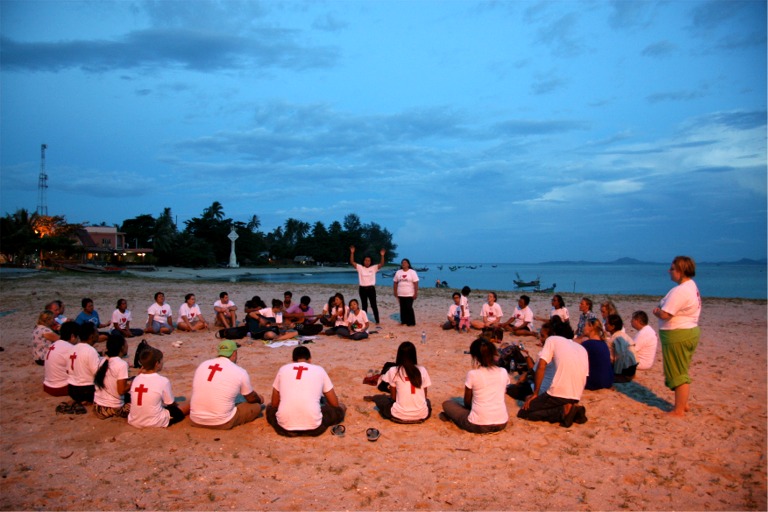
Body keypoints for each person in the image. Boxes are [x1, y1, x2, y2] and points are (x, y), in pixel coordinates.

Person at [653, 255, 701, 417]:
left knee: (678, 372)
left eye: (672, 269)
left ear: (680, 271)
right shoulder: (689, 287)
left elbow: (666, 314)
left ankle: (678, 409)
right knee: (681, 369)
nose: (669, 271)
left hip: (679, 334)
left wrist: (657, 311)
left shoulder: (682, 290)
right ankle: (683, 403)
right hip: (685, 332)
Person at [518, 319, 589, 427]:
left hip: (559, 392)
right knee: (544, 404)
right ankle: (572, 409)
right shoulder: (581, 348)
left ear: (554, 333)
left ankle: (562, 412)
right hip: (576, 395)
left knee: (524, 412)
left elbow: (541, 366)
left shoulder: (552, 340)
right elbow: (584, 375)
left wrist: (535, 393)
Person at [266, 346, 346, 437]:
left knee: (269, 408)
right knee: (339, 408)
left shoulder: (283, 369)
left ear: (292, 360)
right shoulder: (319, 370)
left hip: (283, 428)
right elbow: (334, 403)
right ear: (310, 359)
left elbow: (274, 403)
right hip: (315, 428)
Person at [440, 337, 510, 434]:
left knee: (447, 404)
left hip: (479, 425)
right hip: (502, 422)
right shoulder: (503, 371)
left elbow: (467, 402)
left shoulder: (473, 374)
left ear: (475, 357)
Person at [189, 340, 264, 430]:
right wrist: (260, 399)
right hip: (222, 422)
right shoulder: (240, 371)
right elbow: (251, 398)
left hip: (195, 419)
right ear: (234, 353)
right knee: (256, 406)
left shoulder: (203, 364)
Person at [368, 341, 432, 423]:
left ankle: (375, 398)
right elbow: (424, 396)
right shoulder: (422, 370)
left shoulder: (394, 370)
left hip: (399, 414)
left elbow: (394, 398)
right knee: (427, 402)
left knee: (381, 399)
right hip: (422, 414)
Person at [128, 347, 189, 428]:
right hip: (154, 422)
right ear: (157, 363)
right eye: (162, 361)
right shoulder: (163, 381)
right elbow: (170, 403)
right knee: (184, 409)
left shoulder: (136, 379)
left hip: (134, 420)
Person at [93, 333, 132, 419]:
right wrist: (133, 383)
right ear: (122, 347)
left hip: (97, 407)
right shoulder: (122, 364)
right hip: (113, 408)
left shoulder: (102, 361)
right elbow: (121, 391)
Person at [67, 322, 101, 411]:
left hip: (71, 389)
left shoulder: (72, 348)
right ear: (91, 336)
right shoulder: (90, 350)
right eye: (96, 332)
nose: (98, 333)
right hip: (86, 390)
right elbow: (97, 374)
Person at [350, 245, 386, 325]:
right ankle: (364, 320)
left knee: (374, 305)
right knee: (364, 305)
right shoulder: (360, 267)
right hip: (362, 289)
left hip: (371, 289)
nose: (367, 262)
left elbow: (382, 264)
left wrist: (382, 255)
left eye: (369, 261)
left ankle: (377, 321)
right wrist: (352, 253)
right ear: (363, 261)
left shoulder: (373, 268)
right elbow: (352, 262)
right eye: (366, 260)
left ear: (371, 261)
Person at [577, 319, 614, 391]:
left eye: (585, 325)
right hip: (608, 381)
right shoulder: (603, 343)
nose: (584, 328)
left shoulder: (588, 344)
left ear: (591, 327)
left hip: (596, 383)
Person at [43, 321, 77, 398]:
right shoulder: (69, 348)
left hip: (47, 385)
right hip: (61, 387)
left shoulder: (54, 344)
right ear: (72, 336)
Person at [605, 314, 638, 382]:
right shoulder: (623, 335)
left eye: (607, 323)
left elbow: (620, 356)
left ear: (613, 326)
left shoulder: (617, 338)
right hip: (631, 368)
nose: (605, 324)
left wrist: (616, 373)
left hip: (625, 372)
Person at [393, 258, 419, 326]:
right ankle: (403, 321)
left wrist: (415, 293)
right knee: (402, 308)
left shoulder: (412, 272)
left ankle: (411, 322)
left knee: (409, 308)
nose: (403, 264)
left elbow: (416, 283)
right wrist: (395, 292)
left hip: (409, 293)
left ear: (408, 264)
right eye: (402, 263)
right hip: (401, 293)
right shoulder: (398, 272)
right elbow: (395, 282)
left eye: (405, 262)